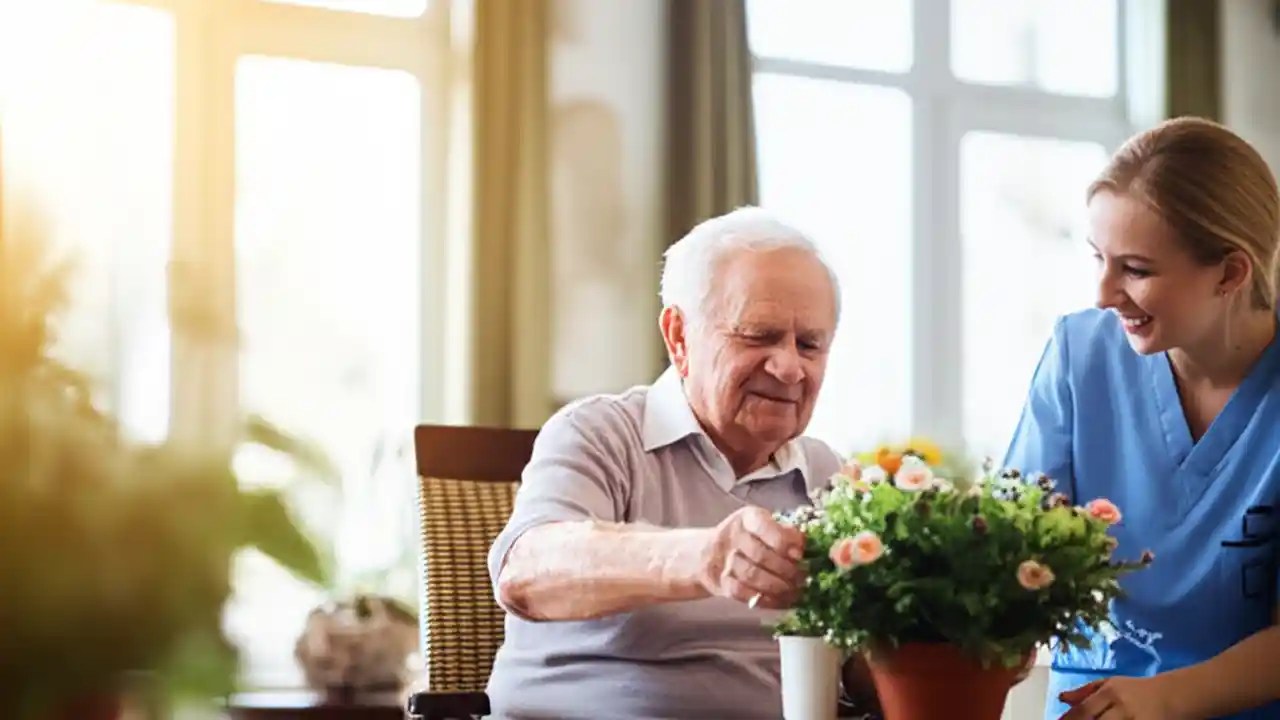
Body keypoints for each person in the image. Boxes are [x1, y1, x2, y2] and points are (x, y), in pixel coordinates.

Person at [483, 208, 855, 719]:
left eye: (809, 344)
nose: (789, 367)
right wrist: (704, 556)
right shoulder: (599, 435)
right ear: (680, 336)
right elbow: (527, 572)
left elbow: (867, 673)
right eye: (758, 335)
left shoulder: (831, 479)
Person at [1004, 117, 1280, 720]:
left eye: (1135, 269)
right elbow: (1015, 550)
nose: (1104, 293)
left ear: (1231, 273)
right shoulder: (1081, 353)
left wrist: (1163, 700)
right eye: (1098, 258)